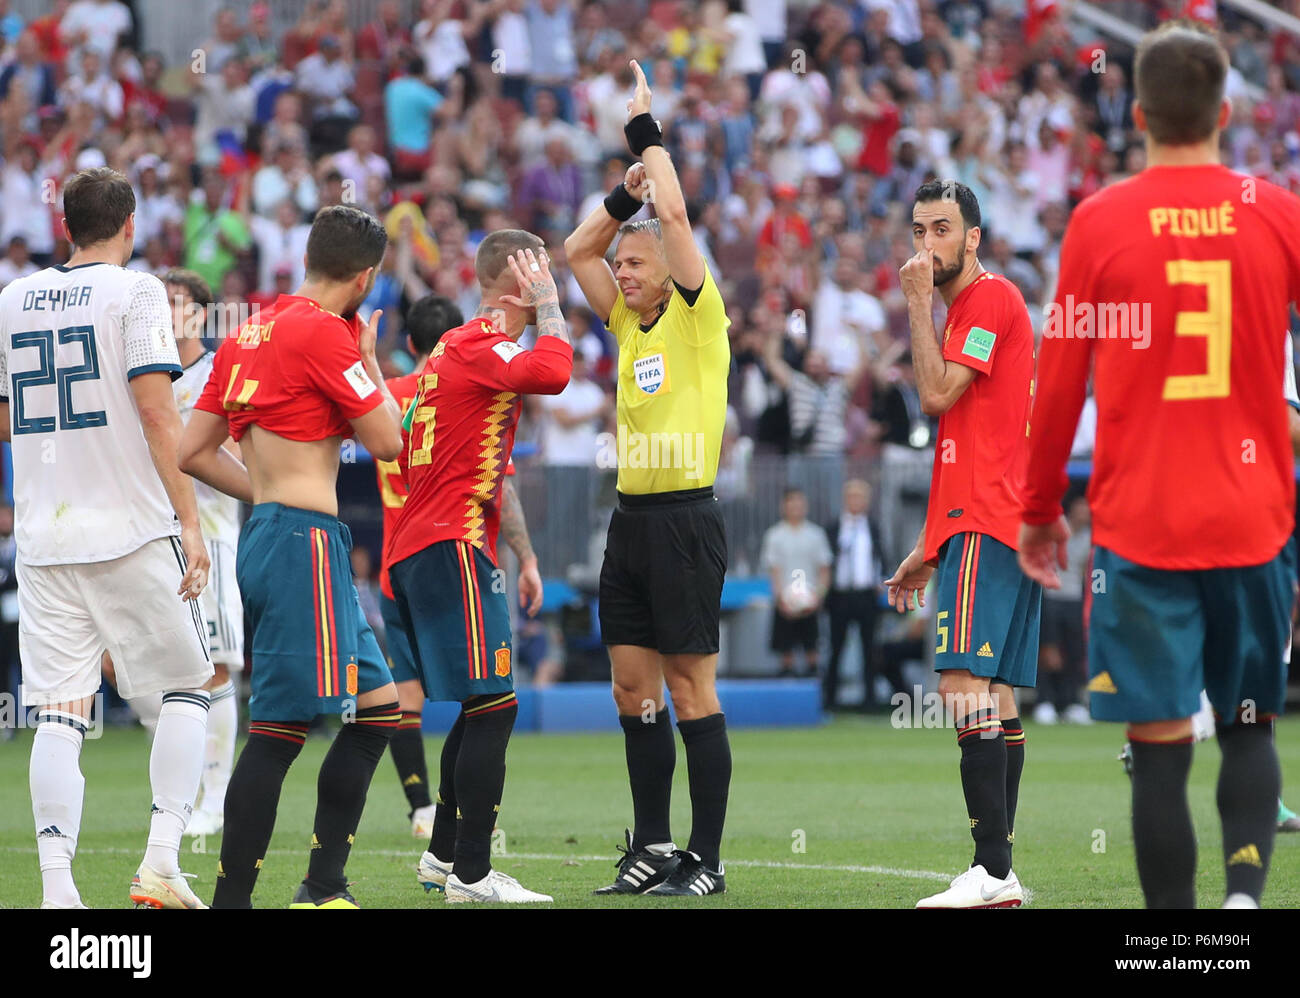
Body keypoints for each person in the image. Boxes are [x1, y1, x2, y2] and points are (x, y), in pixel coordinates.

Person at [1018, 23, 1300, 910]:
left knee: (1162, 744)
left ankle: (1177, 942)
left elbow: (1059, 381)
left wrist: (1037, 507)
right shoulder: (1277, 210)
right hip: (1256, 517)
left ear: (1136, 113)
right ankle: (1245, 905)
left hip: (1143, 527)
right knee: (1251, 729)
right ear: (1226, 111)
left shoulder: (1101, 220)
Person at [0, 167, 218, 909]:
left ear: (65, 227)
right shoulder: (138, 292)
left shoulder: (12, 297)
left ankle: (58, 891)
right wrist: (190, 519)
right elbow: (161, 416)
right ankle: (160, 859)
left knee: (60, 712)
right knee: (192, 686)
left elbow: (6, 416)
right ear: (130, 223)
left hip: (43, 538)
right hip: (128, 526)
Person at [180, 205, 405, 909]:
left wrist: (266, 495)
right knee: (279, 730)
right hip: (302, 544)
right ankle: (232, 900)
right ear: (365, 276)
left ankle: (323, 884)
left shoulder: (249, 332)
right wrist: (368, 357)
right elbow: (390, 441)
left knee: (379, 708)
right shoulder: (325, 334)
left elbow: (192, 451)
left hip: (281, 536)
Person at [565, 61, 732, 897]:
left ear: (671, 268)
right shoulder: (628, 327)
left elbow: (673, 213)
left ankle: (708, 858)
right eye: (623, 266)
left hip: (685, 522)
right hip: (630, 524)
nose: (622, 273)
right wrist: (621, 199)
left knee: (689, 687)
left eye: (636, 264)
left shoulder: (700, 319)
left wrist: (646, 134)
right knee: (633, 688)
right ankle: (656, 847)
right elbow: (576, 248)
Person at [388, 234, 572, 903]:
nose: (551, 279)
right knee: (495, 707)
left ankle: (443, 860)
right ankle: (472, 874)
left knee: (478, 706)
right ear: (515, 279)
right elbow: (554, 372)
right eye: (541, 268)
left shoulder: (458, 348)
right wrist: (550, 307)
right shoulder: (482, 344)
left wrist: (519, 554)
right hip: (448, 542)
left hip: (433, 543)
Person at [885, 179, 1039, 909]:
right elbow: (965, 441)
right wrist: (929, 544)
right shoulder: (973, 310)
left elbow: (938, 396)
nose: (927, 244)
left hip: (991, 519)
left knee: (958, 687)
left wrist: (916, 302)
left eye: (942, 229)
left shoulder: (989, 300)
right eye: (919, 230)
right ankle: (1000, 874)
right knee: (997, 692)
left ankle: (990, 869)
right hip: (987, 522)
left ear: (973, 237)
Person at [373, 294, 544, 842]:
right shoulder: (467, 391)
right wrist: (527, 557)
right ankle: (465, 854)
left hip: (396, 565)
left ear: (409, 343)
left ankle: (424, 811)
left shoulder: (392, 395)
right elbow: (503, 487)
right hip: (453, 554)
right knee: (488, 700)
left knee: (409, 700)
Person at [161, 269, 245, 837]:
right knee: (168, 673)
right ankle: (182, 791)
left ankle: (214, 798)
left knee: (214, 668)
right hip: (153, 537)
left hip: (210, 536)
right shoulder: (146, 377)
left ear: (199, 313)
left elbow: (237, 451)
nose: (164, 312)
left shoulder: (217, 372)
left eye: (175, 302)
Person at [824, 478, 887, 710]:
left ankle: (870, 699)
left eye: (860, 497)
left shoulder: (873, 526)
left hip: (866, 594)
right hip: (840, 594)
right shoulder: (834, 527)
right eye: (852, 496)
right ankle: (829, 699)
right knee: (836, 647)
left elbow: (881, 555)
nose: (856, 501)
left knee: (869, 648)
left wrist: (880, 580)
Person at [759, 487, 831, 679]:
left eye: (799, 503)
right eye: (791, 503)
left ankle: (816, 695)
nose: (795, 507)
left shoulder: (816, 534)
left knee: (812, 651)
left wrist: (818, 596)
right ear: (784, 506)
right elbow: (774, 570)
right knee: (786, 653)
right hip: (785, 602)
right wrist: (780, 599)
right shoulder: (774, 535)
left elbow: (824, 569)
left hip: (811, 600)